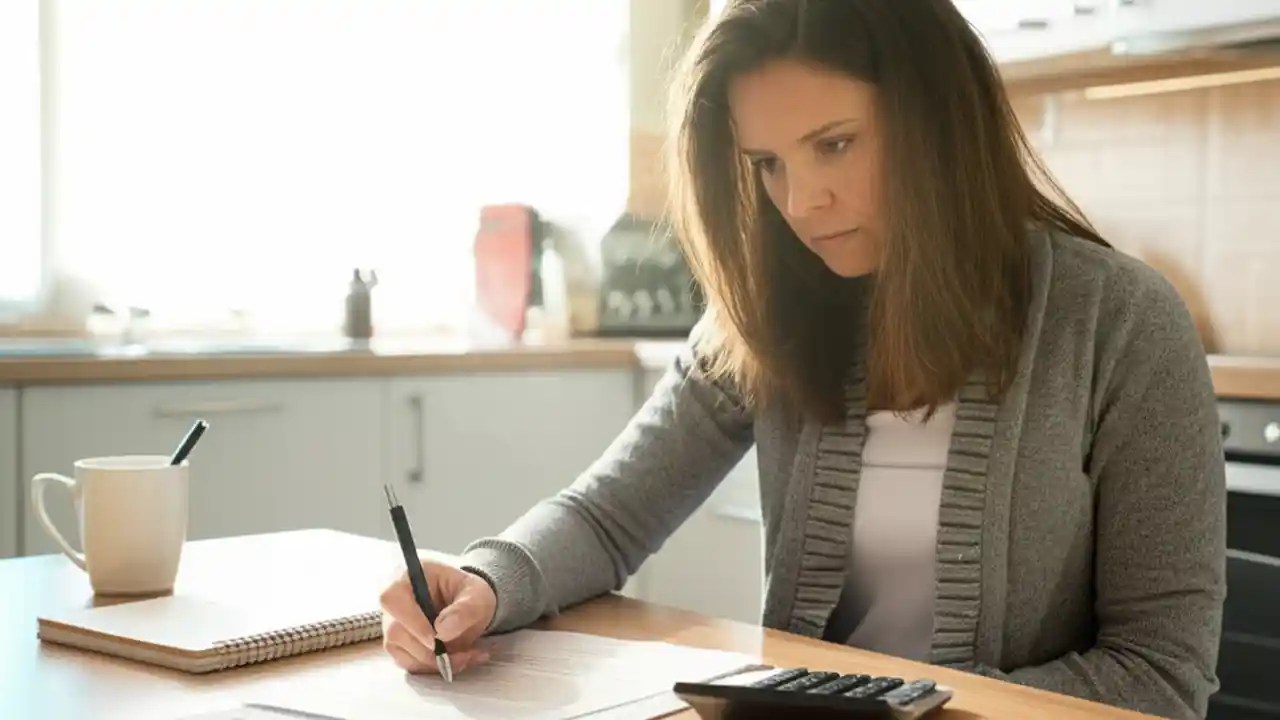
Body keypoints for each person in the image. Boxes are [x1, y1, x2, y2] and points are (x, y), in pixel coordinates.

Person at [378, 1, 1226, 717]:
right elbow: (608, 517)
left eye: (836, 145)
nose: (800, 203)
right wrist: (488, 580)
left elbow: (1162, 676)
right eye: (768, 165)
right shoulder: (770, 315)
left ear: (938, 123)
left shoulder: (1122, 323)